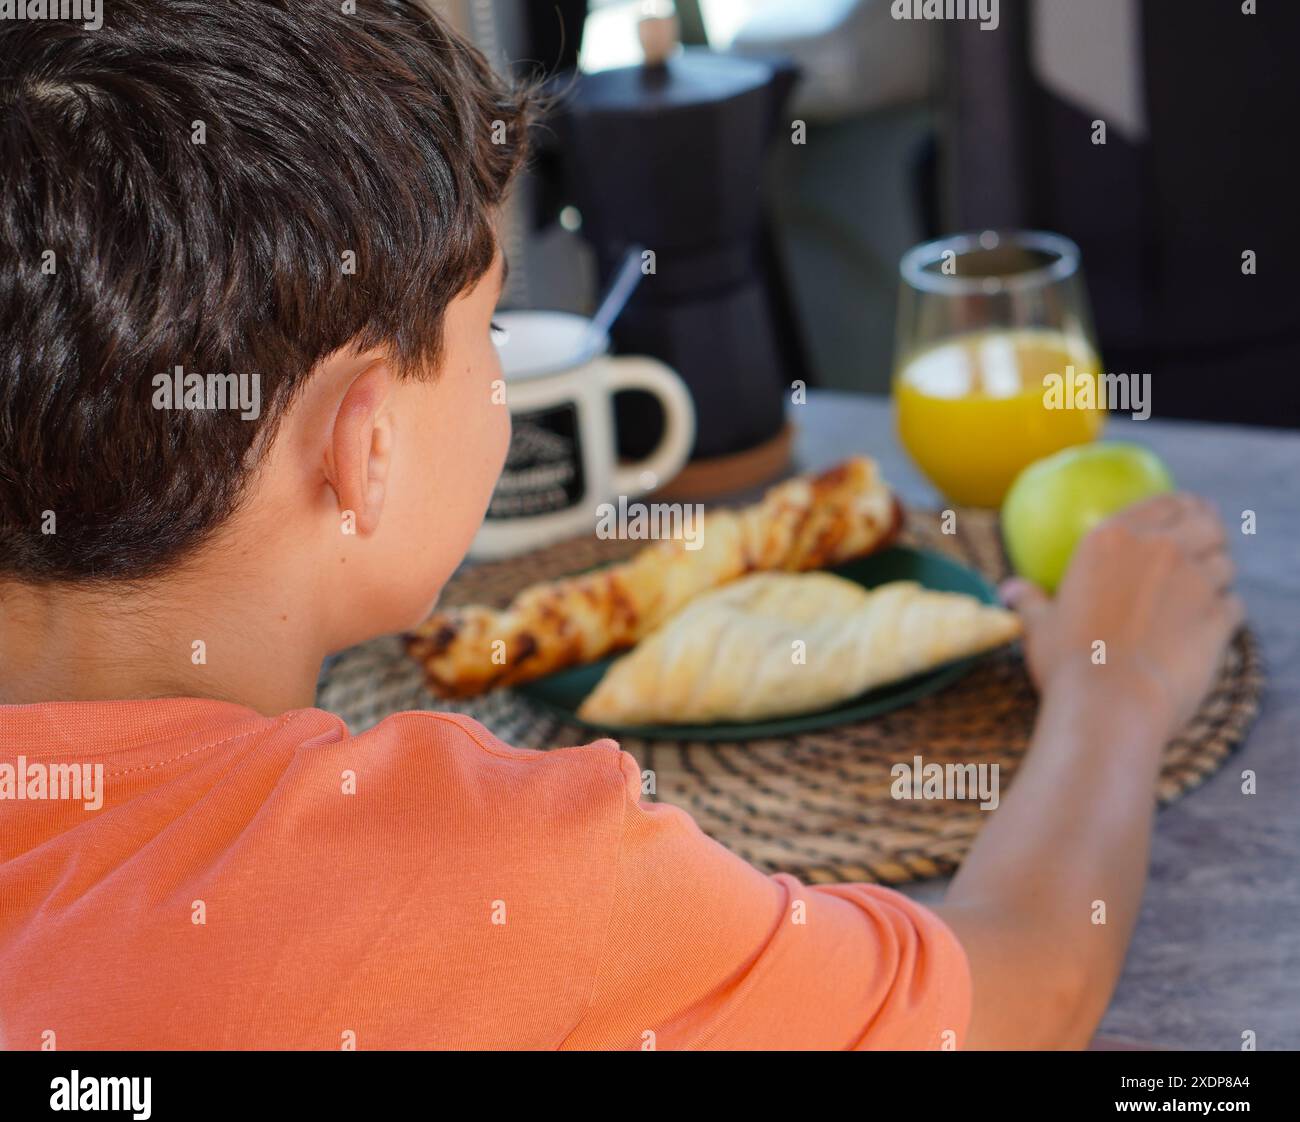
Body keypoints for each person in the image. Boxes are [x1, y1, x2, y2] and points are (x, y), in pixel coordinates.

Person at [0, 1, 1241, 1050]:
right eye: (489, 330)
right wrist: (1114, 692)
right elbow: (1012, 997)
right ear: (360, 447)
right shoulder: (501, 874)